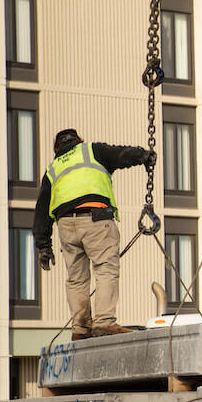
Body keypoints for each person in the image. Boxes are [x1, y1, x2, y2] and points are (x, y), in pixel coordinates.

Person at [33, 128, 155, 340]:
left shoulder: (53, 169)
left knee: (76, 279)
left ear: (57, 148)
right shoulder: (91, 151)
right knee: (106, 269)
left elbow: (42, 210)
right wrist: (143, 155)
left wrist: (44, 245)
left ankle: (80, 329)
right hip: (95, 218)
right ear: (79, 140)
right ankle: (104, 322)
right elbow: (120, 155)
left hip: (66, 227)